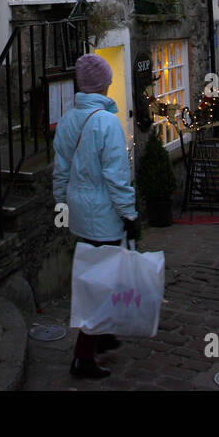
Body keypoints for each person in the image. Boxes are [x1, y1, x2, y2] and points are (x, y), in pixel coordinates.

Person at [53, 53, 139, 380]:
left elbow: (60, 172)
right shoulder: (106, 123)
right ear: (103, 85)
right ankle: (83, 357)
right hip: (102, 213)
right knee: (100, 285)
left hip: (79, 211)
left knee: (95, 275)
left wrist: (62, 204)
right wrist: (130, 215)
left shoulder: (68, 119)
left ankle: (101, 336)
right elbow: (117, 177)